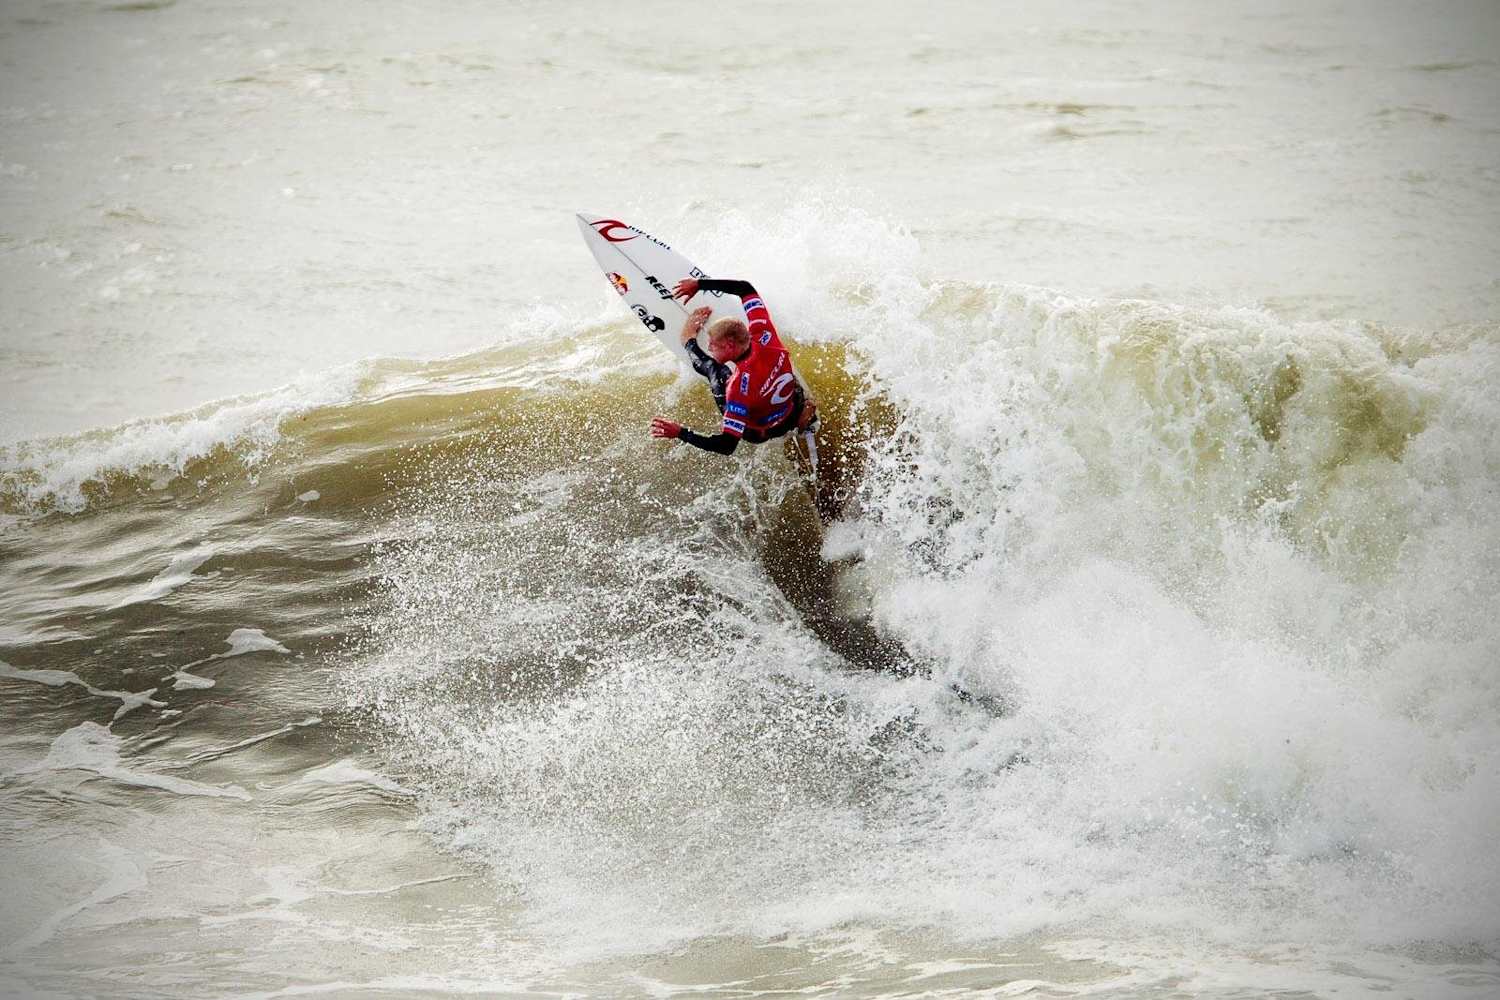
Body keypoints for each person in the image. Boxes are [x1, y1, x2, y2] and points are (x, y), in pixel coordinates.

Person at [650, 276, 817, 455]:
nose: (709, 347)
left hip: (762, 432)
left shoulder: (737, 388)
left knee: (715, 370)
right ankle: (804, 414)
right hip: (791, 412)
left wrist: (680, 433)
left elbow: (727, 446)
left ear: (730, 345)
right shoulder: (765, 332)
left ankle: (687, 341)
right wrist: (699, 284)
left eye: (713, 344)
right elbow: (745, 288)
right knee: (786, 378)